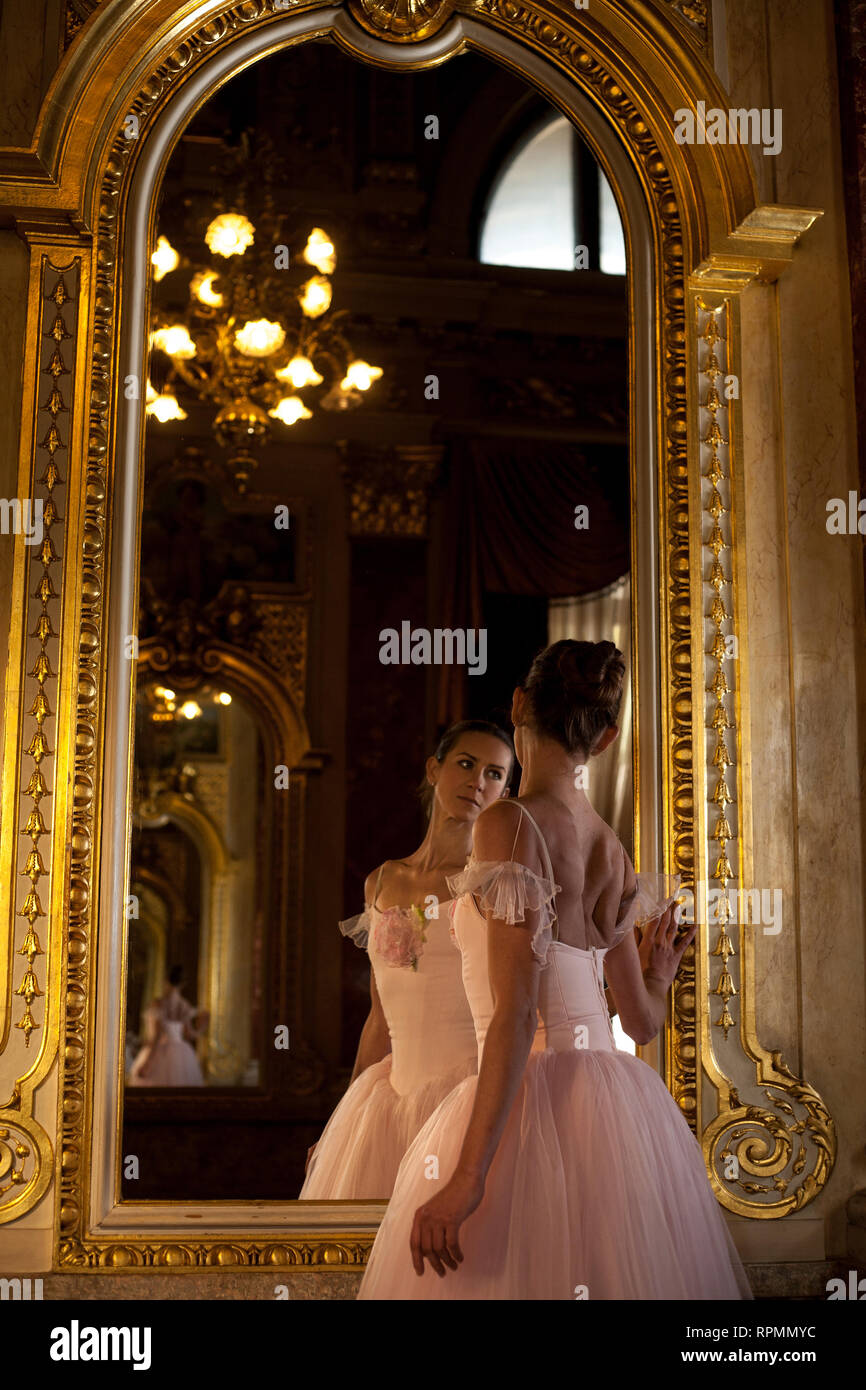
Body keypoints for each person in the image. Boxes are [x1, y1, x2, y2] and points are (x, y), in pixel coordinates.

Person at [359, 640, 752, 1299]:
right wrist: (658, 974)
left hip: (528, 1098)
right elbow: (641, 1021)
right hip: (617, 1110)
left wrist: (467, 1178)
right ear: (606, 739)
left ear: (518, 704)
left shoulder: (509, 823)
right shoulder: (610, 844)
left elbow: (515, 1013)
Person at [300, 721, 514, 1199]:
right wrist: (339, 1128)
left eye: (495, 774)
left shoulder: (492, 884)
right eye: (466, 764)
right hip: (385, 1105)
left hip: (463, 1102)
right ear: (434, 769)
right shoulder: (380, 882)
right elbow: (380, 1018)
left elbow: (517, 1006)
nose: (478, 781)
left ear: (505, 791)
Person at [127, 965, 208, 1087]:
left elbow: (156, 1036)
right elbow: (189, 1034)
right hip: (183, 1055)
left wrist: (147, 1064)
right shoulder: (184, 1005)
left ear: (165, 980)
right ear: (182, 983)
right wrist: (202, 1029)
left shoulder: (158, 1004)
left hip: (160, 1052)